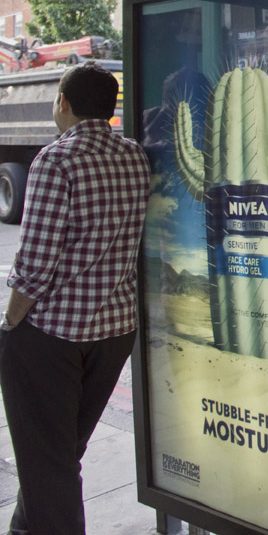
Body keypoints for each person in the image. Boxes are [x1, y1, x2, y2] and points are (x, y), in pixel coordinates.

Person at [0, 63, 150, 534]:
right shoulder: (134, 155)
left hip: (53, 336)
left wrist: (10, 323)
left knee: (48, 461)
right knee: (60, 454)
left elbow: (35, 263)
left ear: (62, 102)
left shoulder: (55, 159)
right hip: (114, 332)